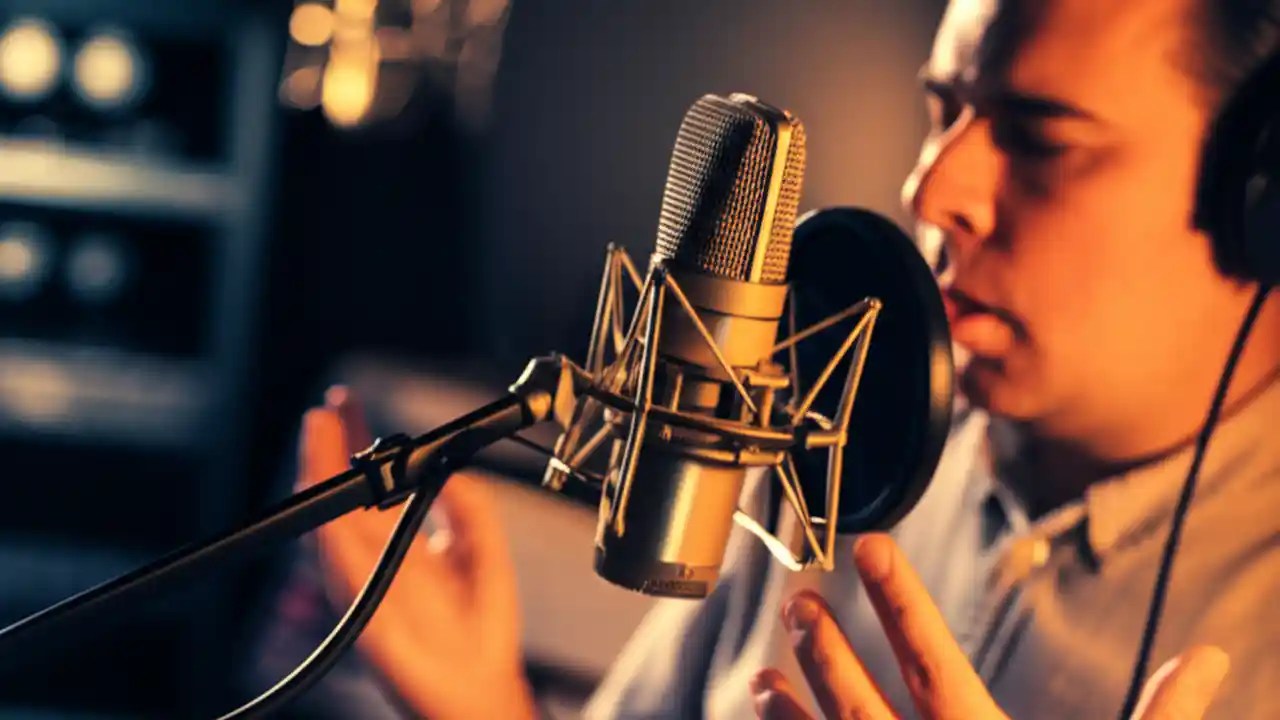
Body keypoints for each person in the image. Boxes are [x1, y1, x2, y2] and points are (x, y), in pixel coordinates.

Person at [276, 0, 1280, 717]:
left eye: (1037, 137)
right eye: (942, 111)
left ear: (1258, 207)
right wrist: (478, 704)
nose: (932, 189)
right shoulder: (831, 448)